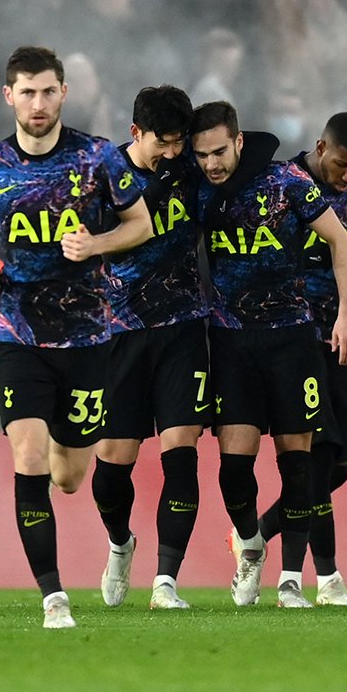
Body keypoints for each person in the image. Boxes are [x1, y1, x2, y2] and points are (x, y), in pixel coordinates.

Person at [0, 46, 152, 630]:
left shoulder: (99, 158)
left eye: (48, 91)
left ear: (64, 93)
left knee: (68, 476)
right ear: (9, 96)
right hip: (16, 335)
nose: (38, 103)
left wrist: (98, 243)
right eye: (27, 92)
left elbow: (142, 224)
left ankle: (120, 542)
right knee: (29, 457)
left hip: (89, 338)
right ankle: (53, 597)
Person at [190, 100, 347, 608]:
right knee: (234, 465)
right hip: (230, 341)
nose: (212, 163)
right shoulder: (197, 190)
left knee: (299, 463)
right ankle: (249, 546)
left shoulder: (288, 183)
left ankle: (291, 580)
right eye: (202, 155)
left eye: (220, 151)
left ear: (240, 142)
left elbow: (341, 243)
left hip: (292, 340)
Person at [94, 84, 208, 611]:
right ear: (135, 132)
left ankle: (166, 580)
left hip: (184, 327)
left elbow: (254, 145)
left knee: (180, 455)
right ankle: (121, 544)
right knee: (112, 468)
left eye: (180, 141)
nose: (174, 153)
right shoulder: (102, 174)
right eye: (163, 142)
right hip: (120, 332)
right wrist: (153, 194)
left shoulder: (189, 166)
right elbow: (91, 238)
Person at [256, 111, 347, 606]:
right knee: (312, 458)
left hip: (341, 335)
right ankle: (322, 578)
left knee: (336, 465)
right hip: (295, 335)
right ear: (321, 147)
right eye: (342, 165)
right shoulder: (285, 182)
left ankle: (257, 533)